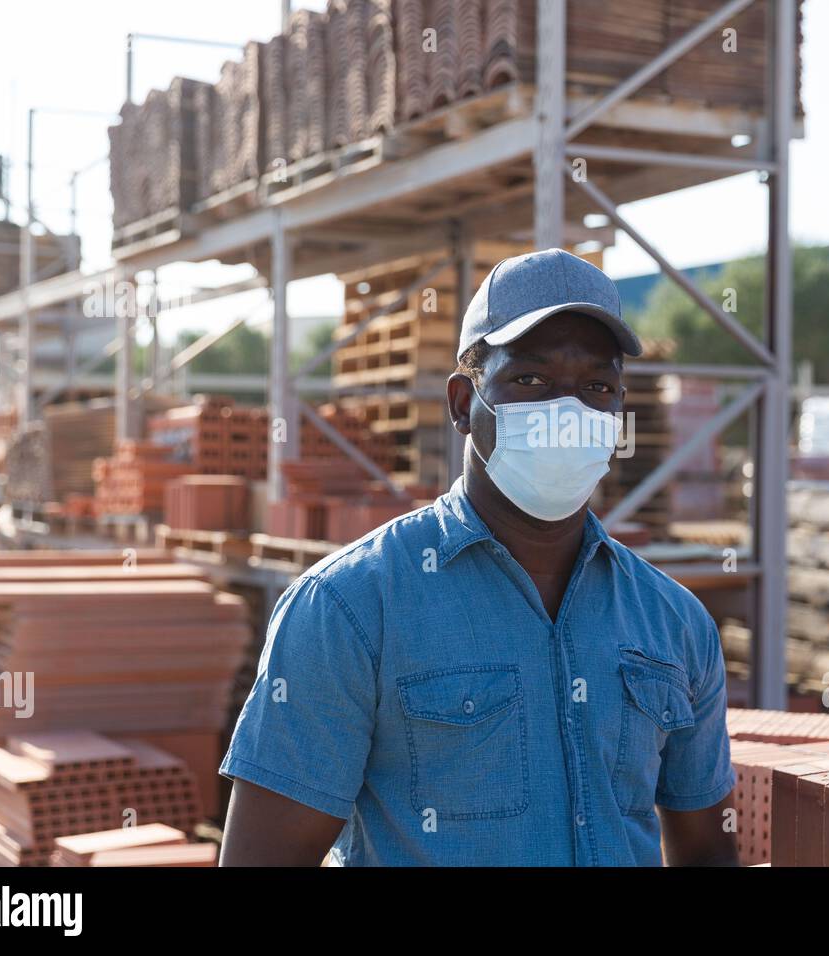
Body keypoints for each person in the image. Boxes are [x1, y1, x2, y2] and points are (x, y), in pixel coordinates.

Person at [219, 248, 738, 866]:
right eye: (532, 380)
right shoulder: (350, 607)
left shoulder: (673, 621)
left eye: (597, 387)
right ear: (465, 403)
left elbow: (705, 850)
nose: (566, 412)